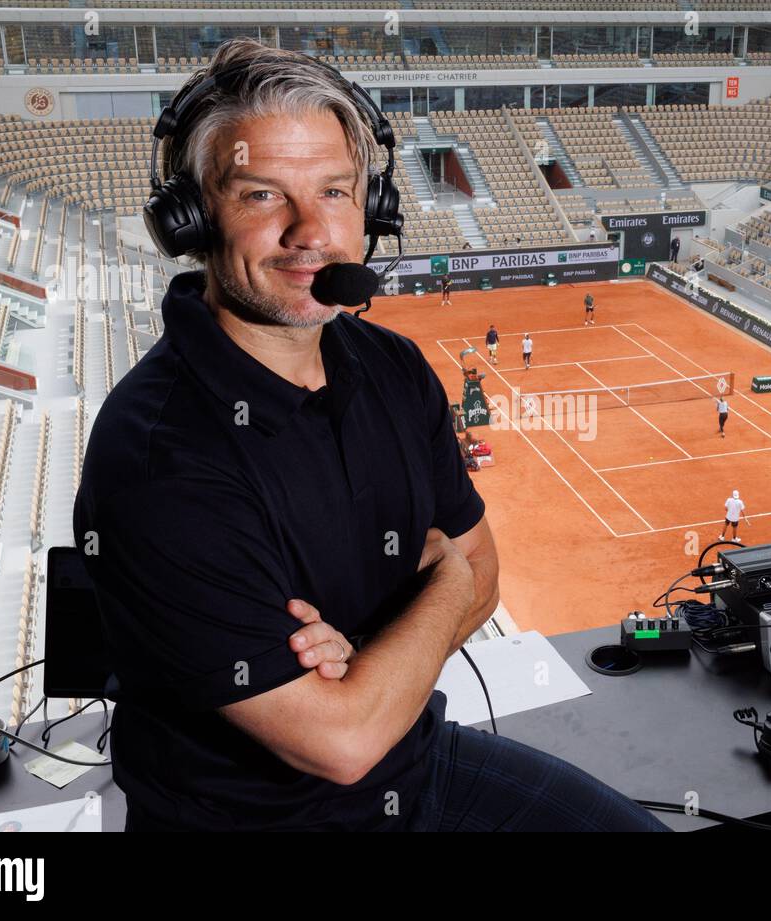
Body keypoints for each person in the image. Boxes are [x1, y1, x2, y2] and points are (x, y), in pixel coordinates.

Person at [74, 39, 667, 833]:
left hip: (418, 768)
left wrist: (371, 662)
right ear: (190, 221)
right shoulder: (157, 458)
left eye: (336, 191)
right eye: (261, 195)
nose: (310, 232)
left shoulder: (391, 365)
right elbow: (345, 737)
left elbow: (483, 564)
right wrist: (442, 585)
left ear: (374, 210)